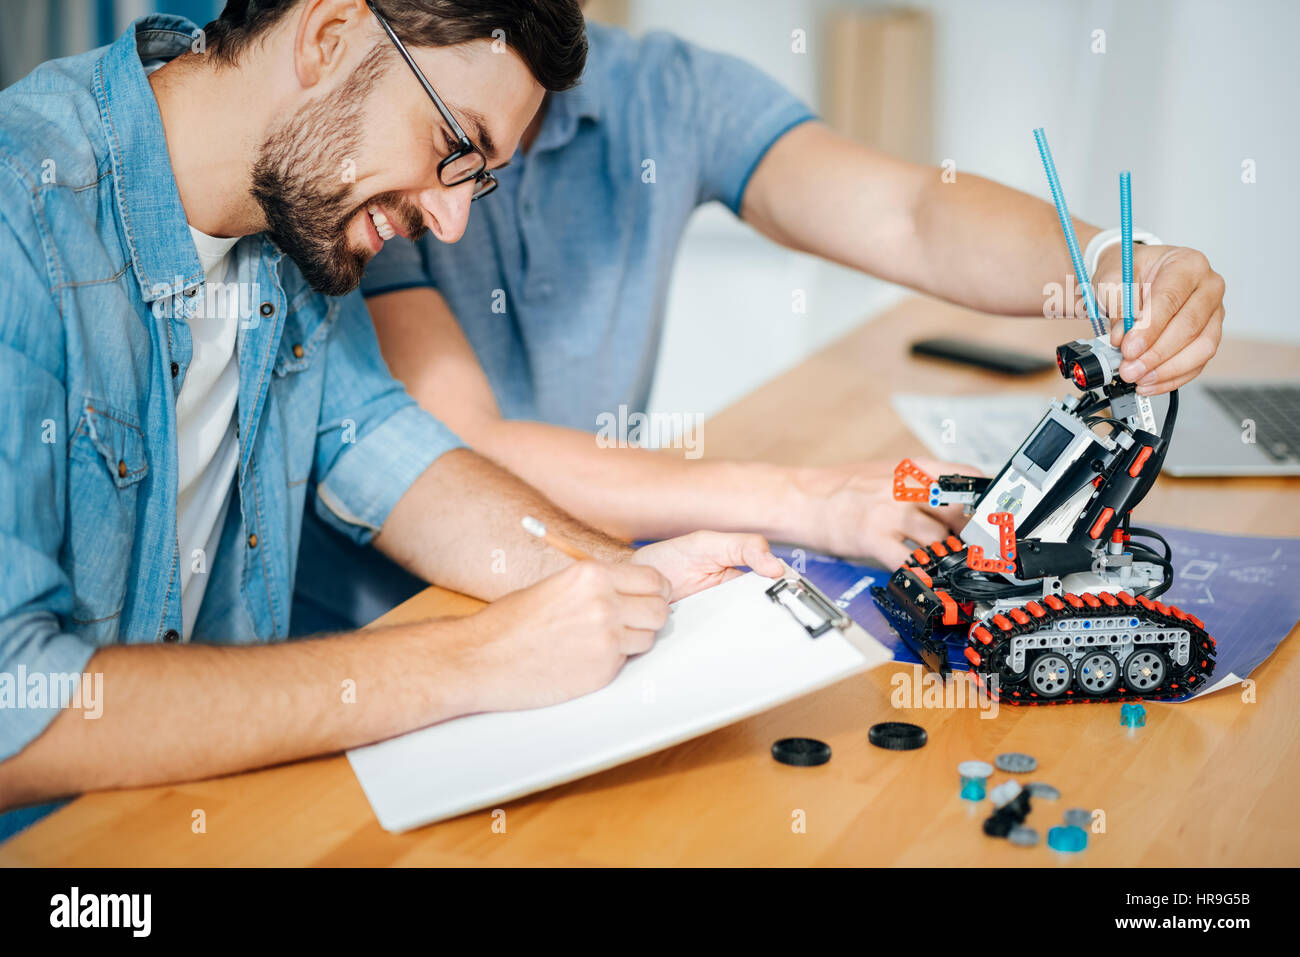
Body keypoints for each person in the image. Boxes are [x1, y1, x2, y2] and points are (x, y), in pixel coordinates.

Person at [0, 0, 784, 825]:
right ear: (329, 35)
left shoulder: (294, 225)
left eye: (478, 177)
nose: (449, 224)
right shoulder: (22, 213)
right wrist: (477, 657)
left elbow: (389, 450)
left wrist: (629, 578)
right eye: (456, 145)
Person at [293, 13, 1227, 633]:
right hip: (387, 620)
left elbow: (912, 212)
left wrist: (1110, 259)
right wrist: (807, 499)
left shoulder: (666, 91)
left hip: (586, 575)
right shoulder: (391, 134)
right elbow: (461, 447)